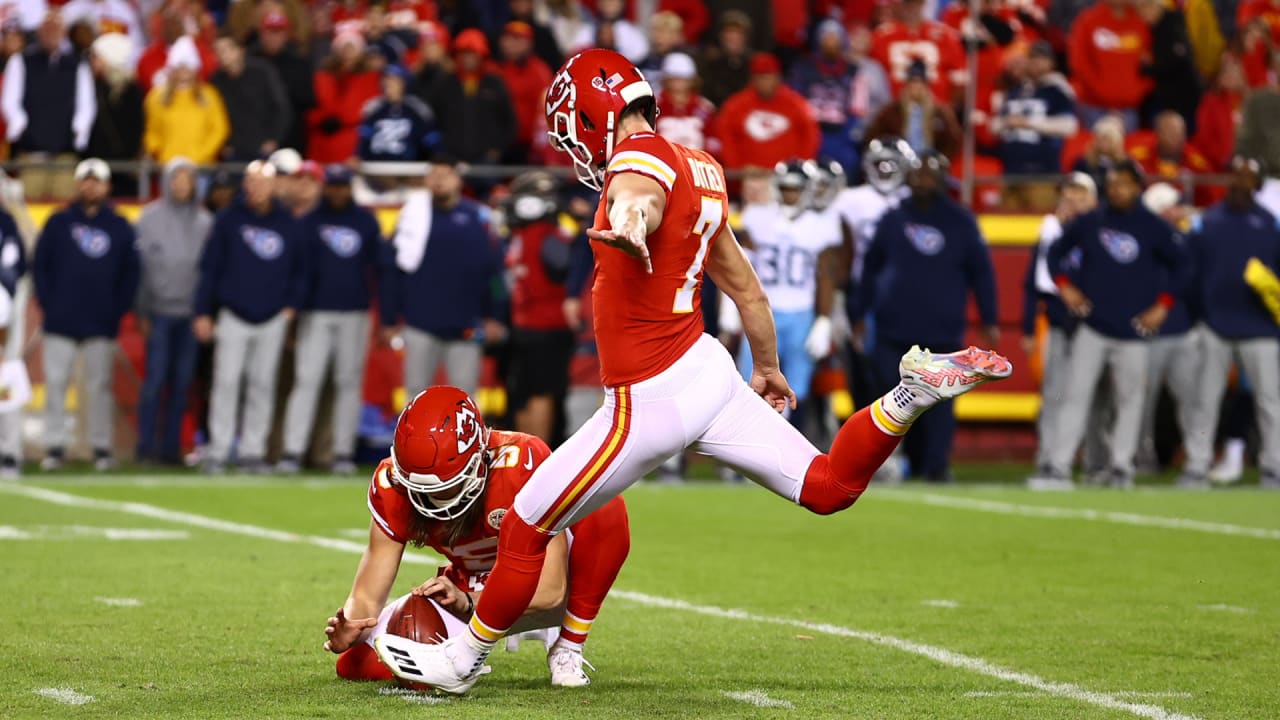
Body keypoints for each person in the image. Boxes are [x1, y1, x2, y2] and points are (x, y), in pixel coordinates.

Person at [371, 48, 1011, 694]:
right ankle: (908, 394)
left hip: (650, 396)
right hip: (706, 367)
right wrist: (766, 363)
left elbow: (635, 195)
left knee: (531, 522)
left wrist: (629, 222)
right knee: (827, 486)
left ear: (595, 117)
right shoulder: (703, 167)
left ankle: (462, 661)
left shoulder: (637, 160)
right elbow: (746, 288)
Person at [324, 386, 631, 687]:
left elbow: (550, 591)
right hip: (465, 585)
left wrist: (471, 603)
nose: (431, 500)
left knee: (604, 508)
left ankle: (569, 646)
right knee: (355, 666)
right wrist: (354, 627)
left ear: (478, 459)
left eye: (446, 487)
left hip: (538, 583)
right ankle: (461, 651)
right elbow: (366, 595)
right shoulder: (392, 487)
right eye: (418, 489)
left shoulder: (519, 462)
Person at [852, 149, 1000, 483]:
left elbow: (982, 273)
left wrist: (990, 319)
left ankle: (935, 465)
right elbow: (870, 269)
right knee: (893, 400)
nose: (922, 180)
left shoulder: (961, 221)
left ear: (942, 178)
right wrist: (859, 313)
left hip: (941, 329)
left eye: (929, 174)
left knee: (940, 405)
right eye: (917, 173)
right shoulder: (892, 218)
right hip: (893, 327)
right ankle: (889, 465)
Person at [1041, 160, 1190, 488]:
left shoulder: (1153, 226)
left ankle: (1122, 467)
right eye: (1111, 183)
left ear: (1137, 187)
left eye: (1122, 183)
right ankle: (1058, 465)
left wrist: (1163, 306)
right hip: (1092, 326)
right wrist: (1064, 285)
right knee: (1075, 397)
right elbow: (1055, 253)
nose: (1115, 190)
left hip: (1135, 331)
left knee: (1130, 402)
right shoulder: (1092, 221)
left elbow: (1184, 267)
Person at [193, 160, 305, 473]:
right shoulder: (230, 219)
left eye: (263, 182)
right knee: (226, 383)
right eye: (252, 181)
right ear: (245, 186)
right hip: (234, 313)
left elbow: (301, 271)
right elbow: (210, 268)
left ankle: (251, 451)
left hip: (272, 316)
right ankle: (218, 450)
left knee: (262, 385)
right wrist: (204, 311)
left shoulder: (288, 223)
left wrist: (290, 306)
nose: (256, 188)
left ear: (273, 186)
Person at [32, 158, 138, 470]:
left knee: (99, 388)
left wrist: (116, 310)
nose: (91, 186)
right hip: (61, 320)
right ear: (79, 184)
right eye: (86, 180)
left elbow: (130, 275)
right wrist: (50, 305)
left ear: (107, 186)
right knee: (56, 385)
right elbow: (41, 266)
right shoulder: (58, 222)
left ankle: (101, 448)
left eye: (97, 181)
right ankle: (54, 446)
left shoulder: (119, 226)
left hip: (100, 321)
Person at [1183, 156, 1280, 489]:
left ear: (1258, 183)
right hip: (1215, 326)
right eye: (1235, 176)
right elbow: (1189, 273)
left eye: (1247, 177)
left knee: (1270, 401)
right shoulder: (1208, 222)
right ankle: (1196, 465)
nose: (1240, 182)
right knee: (1204, 400)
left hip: (1261, 327)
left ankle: (1274, 467)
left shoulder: (1271, 224)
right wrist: (1201, 313)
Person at [278, 165, 381, 475]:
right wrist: (296, 308)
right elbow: (300, 270)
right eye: (333, 185)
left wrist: (381, 313)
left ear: (350, 187)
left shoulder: (365, 221)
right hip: (316, 311)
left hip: (354, 311)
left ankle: (342, 452)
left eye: (342, 186)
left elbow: (378, 269)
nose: (337, 191)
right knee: (307, 381)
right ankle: (292, 451)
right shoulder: (310, 222)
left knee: (348, 383)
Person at [380, 157, 506, 398]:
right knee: (415, 399)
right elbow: (392, 270)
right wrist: (389, 318)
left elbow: (495, 273)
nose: (439, 180)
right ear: (426, 179)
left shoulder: (478, 218)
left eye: (445, 174)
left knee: (465, 400)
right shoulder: (411, 218)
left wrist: (496, 316)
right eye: (434, 174)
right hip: (420, 323)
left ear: (458, 179)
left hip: (467, 325)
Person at [733, 160, 841, 434]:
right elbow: (740, 265)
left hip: (801, 311)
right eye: (786, 188)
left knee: (796, 388)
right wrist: (729, 308)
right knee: (751, 383)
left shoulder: (822, 224)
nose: (790, 195)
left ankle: (778, 444)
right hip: (760, 309)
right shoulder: (758, 217)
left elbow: (825, 275)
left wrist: (824, 320)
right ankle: (751, 443)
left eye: (796, 189)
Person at [1022, 173, 1099, 487]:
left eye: (1081, 193)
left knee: (1094, 398)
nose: (1073, 199)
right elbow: (1034, 282)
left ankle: (1096, 462)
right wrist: (1028, 327)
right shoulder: (1052, 229)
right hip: (1059, 321)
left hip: (1097, 325)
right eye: (1069, 192)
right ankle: (1050, 459)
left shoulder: (1102, 227)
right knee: (1054, 394)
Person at [134, 157, 211, 465]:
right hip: (159, 312)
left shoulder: (205, 222)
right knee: (154, 382)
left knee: (181, 385)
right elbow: (139, 269)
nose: (181, 185)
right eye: (176, 178)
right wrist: (142, 311)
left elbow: (209, 273)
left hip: (190, 314)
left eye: (187, 179)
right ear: (166, 182)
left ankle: (170, 450)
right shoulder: (148, 218)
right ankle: (145, 448)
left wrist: (204, 311)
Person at [502, 171, 576, 446]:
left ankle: (533, 457)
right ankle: (528, 455)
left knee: (537, 392)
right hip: (533, 326)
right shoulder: (541, 236)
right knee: (529, 393)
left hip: (541, 327)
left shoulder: (543, 237)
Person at [1, 10, 95, 200]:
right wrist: (21, 126)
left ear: (64, 32)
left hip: (65, 153)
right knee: (28, 206)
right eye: (47, 28)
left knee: (64, 205)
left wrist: (79, 133)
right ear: (39, 32)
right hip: (32, 153)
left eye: (56, 28)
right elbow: (9, 102)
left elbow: (86, 105)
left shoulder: (77, 65)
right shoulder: (21, 61)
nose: (51, 33)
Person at [993, 41, 1079, 212]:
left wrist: (1028, 123)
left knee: (1041, 224)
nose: (1037, 63)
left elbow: (1069, 126)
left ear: (1051, 63)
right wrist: (1006, 123)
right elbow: (994, 126)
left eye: (1042, 59)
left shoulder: (1057, 90)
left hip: (1043, 173)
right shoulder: (1015, 91)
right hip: (1011, 171)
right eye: (1033, 58)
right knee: (1007, 229)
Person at [718, 52, 820, 170]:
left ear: (777, 77)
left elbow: (810, 134)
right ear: (753, 79)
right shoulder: (735, 106)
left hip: (786, 179)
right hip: (749, 177)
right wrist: (736, 167)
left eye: (769, 76)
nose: (765, 82)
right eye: (760, 77)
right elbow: (726, 138)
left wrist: (800, 166)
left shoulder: (795, 103)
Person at [142, 35, 229, 165]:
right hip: (168, 165)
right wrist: (161, 153)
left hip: (202, 166)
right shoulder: (157, 97)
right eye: (179, 66)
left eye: (187, 65)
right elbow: (152, 131)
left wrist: (202, 155)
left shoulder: (209, 95)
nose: (183, 71)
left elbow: (219, 129)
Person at [1068, 0, 1152, 131]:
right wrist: (1102, 94)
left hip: (1128, 109)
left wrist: (1135, 93)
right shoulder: (1088, 20)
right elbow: (1079, 63)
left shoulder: (1142, 23)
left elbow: (1152, 65)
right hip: (1093, 107)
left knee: (1127, 151)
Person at [210, 34, 292, 162]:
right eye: (217, 51)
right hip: (233, 151)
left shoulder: (263, 72)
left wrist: (274, 139)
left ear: (240, 50)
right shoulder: (215, 81)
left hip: (263, 147)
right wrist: (224, 145)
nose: (221, 55)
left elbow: (281, 107)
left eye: (226, 49)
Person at [865, 58, 962, 160]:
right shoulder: (892, 111)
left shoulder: (940, 113)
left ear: (926, 86)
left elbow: (954, 140)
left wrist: (940, 159)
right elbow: (872, 136)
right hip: (900, 163)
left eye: (920, 83)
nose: (916, 87)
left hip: (928, 164)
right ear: (907, 85)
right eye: (913, 82)